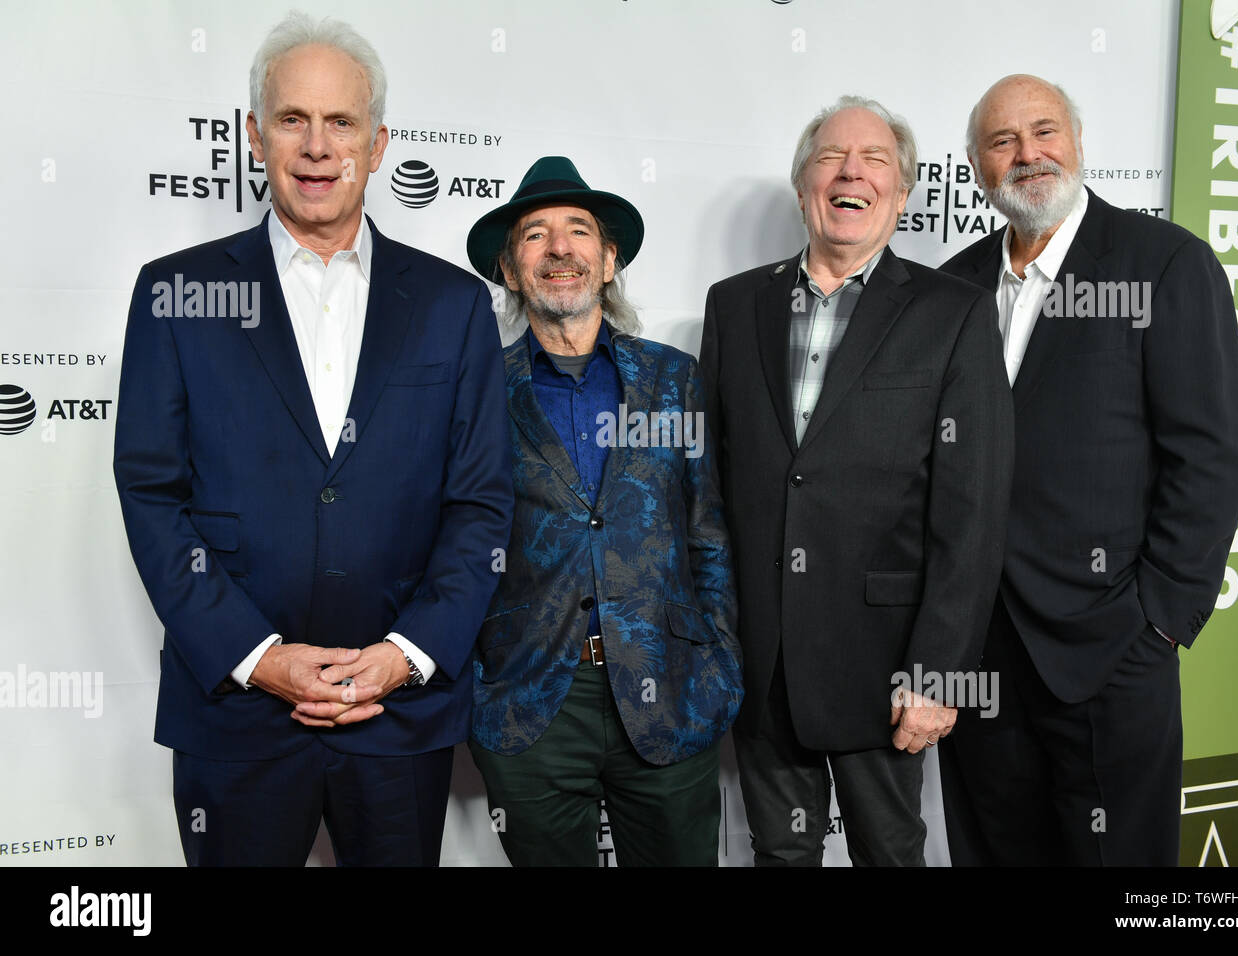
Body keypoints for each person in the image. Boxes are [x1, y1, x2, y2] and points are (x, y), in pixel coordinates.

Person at [112, 12, 513, 866]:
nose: (317, 145)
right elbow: (152, 496)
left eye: (342, 122)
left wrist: (406, 657)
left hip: (397, 714)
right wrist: (257, 659)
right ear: (256, 137)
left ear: (377, 144)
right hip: (236, 713)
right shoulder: (175, 293)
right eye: (293, 119)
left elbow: (480, 504)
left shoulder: (453, 304)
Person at [938, 74, 1238, 865]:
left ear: (1077, 143)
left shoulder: (1164, 264)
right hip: (978, 656)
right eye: (1002, 142)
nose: (1027, 155)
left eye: (1044, 131)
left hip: (1112, 647)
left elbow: (1211, 452)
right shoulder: (953, 285)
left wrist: (1158, 619)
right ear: (977, 166)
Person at [699, 97, 1013, 866]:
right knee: (780, 854)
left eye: (875, 160)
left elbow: (971, 510)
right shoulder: (735, 304)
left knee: (891, 854)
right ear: (805, 183)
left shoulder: (955, 313)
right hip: (761, 660)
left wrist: (939, 670)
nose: (851, 172)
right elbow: (705, 486)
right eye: (831, 157)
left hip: (888, 664)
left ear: (901, 194)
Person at [464, 156, 744, 866]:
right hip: (531, 704)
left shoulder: (672, 378)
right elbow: (452, 545)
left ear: (609, 259)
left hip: (670, 690)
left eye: (579, 231)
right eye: (535, 235)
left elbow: (706, 530)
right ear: (508, 268)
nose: (560, 249)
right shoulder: (475, 392)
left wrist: (715, 660)